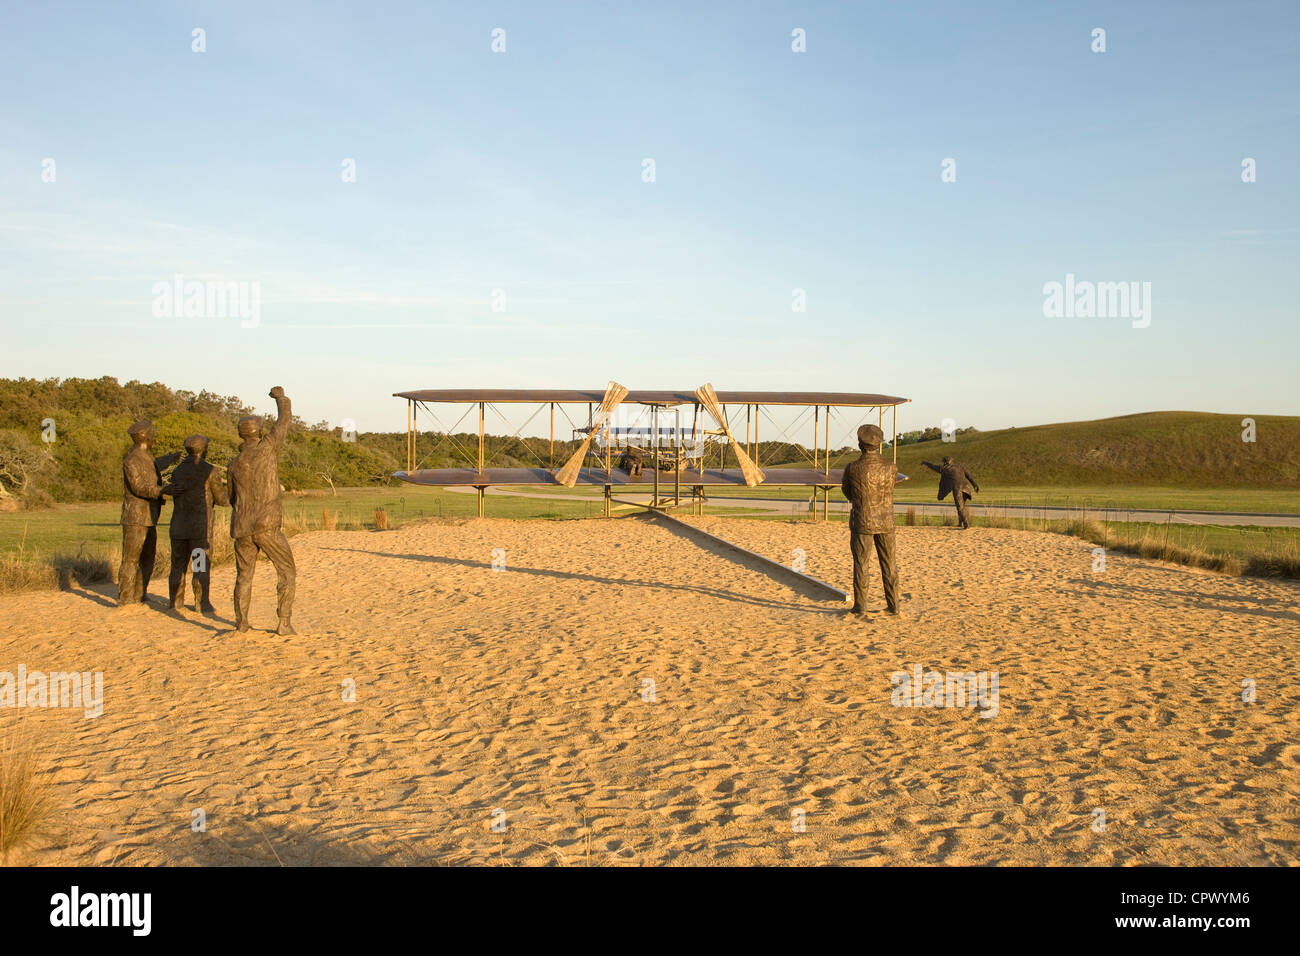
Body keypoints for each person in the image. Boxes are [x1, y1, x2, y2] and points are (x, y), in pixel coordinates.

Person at [228, 386, 297, 634]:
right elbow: (284, 420)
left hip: (242, 525)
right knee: (287, 571)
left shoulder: (234, 463)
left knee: (244, 576)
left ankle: (241, 623)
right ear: (258, 432)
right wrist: (280, 398)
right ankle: (284, 622)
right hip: (266, 524)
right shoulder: (267, 448)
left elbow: (230, 498)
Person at [162, 434, 229, 614]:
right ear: (204, 450)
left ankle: (175, 601)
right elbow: (222, 500)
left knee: (177, 565)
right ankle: (202, 602)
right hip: (199, 529)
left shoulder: (177, 471)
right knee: (199, 565)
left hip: (178, 527)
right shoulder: (209, 470)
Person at [118, 420, 181, 606]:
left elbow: (153, 467)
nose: (154, 436)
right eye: (152, 433)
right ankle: (125, 598)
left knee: (148, 557)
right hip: (135, 516)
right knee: (131, 559)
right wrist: (162, 490)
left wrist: (170, 459)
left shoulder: (147, 457)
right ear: (145, 436)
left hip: (150, 516)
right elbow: (139, 487)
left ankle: (140, 593)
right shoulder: (131, 460)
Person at [840, 424, 900, 616]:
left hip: (862, 521)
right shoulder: (891, 467)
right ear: (879, 444)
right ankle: (894, 606)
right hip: (886, 521)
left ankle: (861, 606)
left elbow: (847, 491)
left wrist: (860, 501)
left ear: (860, 444)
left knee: (861, 564)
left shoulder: (853, 468)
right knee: (889, 564)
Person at [922, 455, 980, 529]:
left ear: (945, 462)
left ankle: (966, 524)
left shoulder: (945, 469)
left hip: (958, 489)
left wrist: (925, 463)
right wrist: (975, 485)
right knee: (962, 506)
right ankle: (960, 523)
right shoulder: (960, 467)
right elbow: (969, 476)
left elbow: (933, 467)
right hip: (966, 488)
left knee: (960, 507)